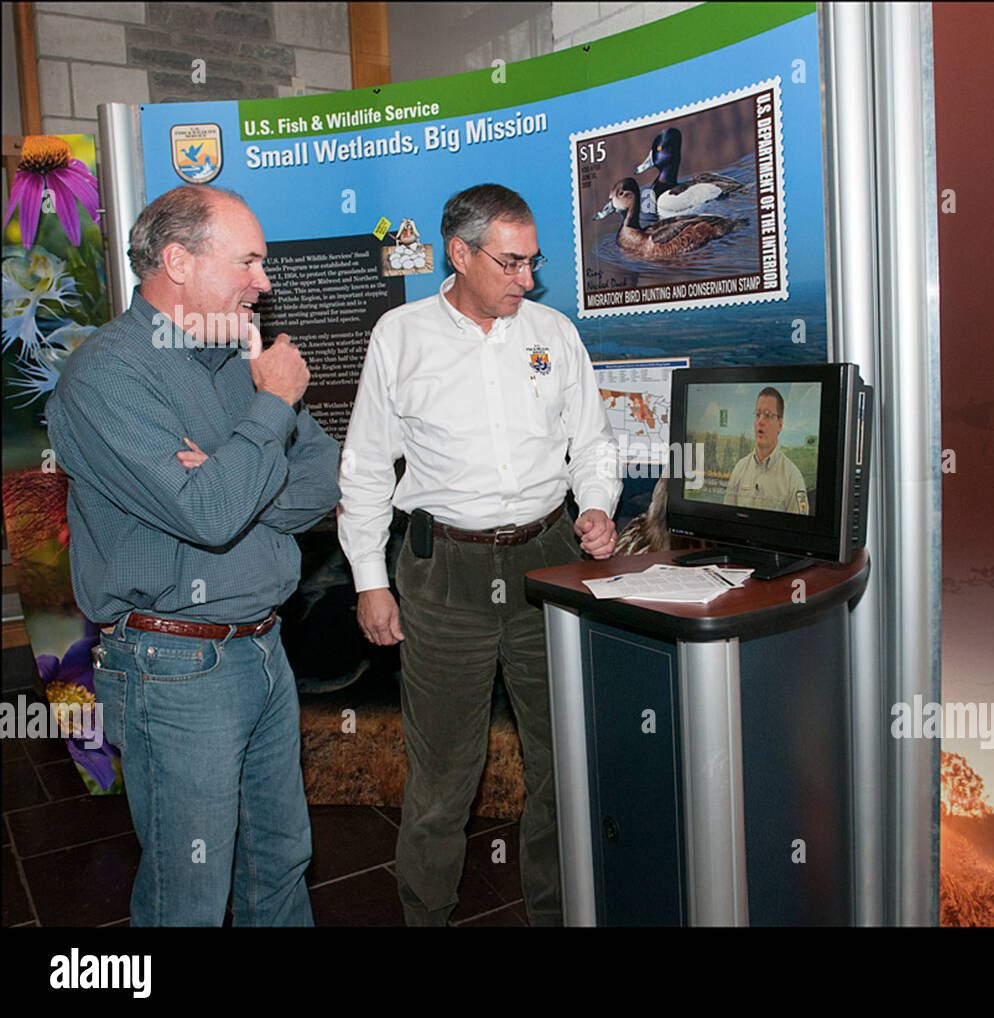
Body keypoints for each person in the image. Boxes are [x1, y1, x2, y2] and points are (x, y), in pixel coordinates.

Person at [45, 185, 340, 926]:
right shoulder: (107, 375)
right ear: (178, 262)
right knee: (190, 895)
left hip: (264, 648)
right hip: (174, 669)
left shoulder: (238, 357)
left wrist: (233, 477)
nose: (263, 283)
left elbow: (324, 478)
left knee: (280, 863)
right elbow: (208, 515)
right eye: (248, 261)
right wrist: (269, 414)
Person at [337, 183, 620, 927]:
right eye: (511, 262)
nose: (527, 279)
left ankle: (557, 913)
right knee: (443, 777)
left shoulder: (553, 333)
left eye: (533, 261)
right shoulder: (400, 337)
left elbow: (592, 444)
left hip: (548, 563)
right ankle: (427, 916)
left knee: (562, 762)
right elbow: (365, 468)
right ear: (459, 254)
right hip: (442, 573)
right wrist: (369, 580)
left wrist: (595, 505)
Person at [723, 387, 809, 514]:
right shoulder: (740, 469)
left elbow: (800, 525)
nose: (760, 421)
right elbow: (727, 517)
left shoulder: (793, 478)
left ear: (780, 424)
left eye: (768, 415)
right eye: (758, 415)